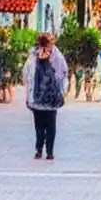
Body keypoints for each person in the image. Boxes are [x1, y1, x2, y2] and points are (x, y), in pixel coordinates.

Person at [23, 32, 68, 160]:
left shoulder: (53, 57)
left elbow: (25, 76)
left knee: (42, 126)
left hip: (46, 98)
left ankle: (43, 150)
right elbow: (62, 75)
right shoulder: (36, 57)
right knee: (47, 126)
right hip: (44, 99)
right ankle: (46, 150)